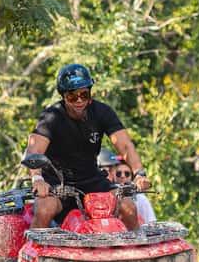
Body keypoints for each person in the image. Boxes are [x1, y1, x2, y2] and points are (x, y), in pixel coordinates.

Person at [26, 64, 151, 231]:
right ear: (63, 96)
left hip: (93, 181)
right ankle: (33, 253)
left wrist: (139, 174)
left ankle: (136, 252)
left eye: (84, 95)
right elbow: (34, 150)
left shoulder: (102, 112)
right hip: (57, 184)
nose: (79, 100)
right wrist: (38, 179)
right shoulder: (51, 117)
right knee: (44, 210)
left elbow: (126, 145)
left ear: (90, 93)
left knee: (129, 208)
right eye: (72, 96)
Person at [111, 160, 156, 225]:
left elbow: (151, 223)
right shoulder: (108, 197)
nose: (122, 176)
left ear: (132, 177)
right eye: (118, 173)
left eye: (127, 174)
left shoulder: (141, 199)